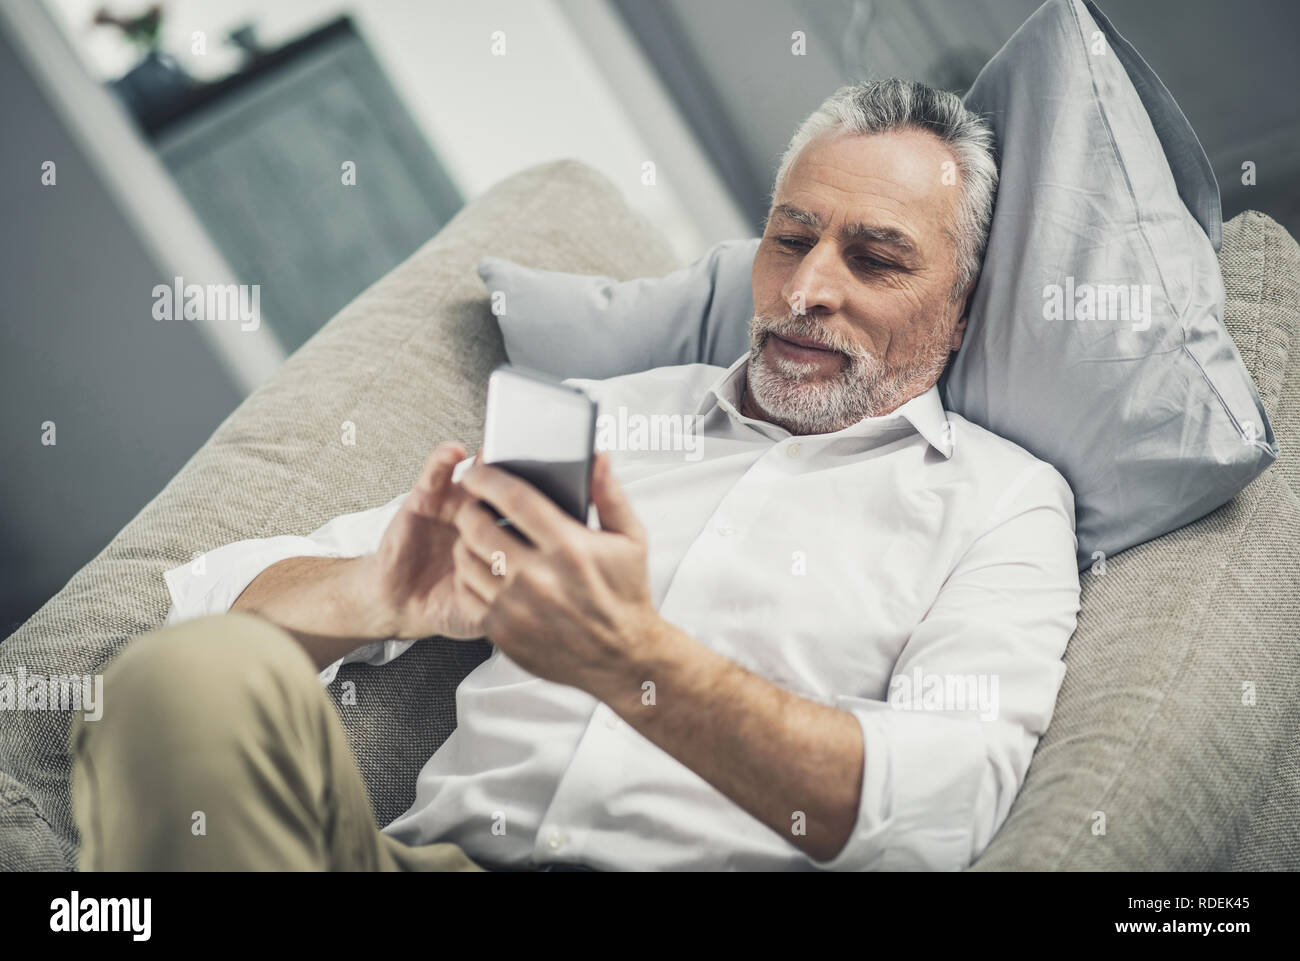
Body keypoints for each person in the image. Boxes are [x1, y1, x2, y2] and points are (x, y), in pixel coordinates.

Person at [71, 78, 1080, 872]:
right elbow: (198, 614)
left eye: (876, 258)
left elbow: (943, 808)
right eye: (792, 238)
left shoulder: (1002, 502)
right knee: (179, 675)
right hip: (436, 859)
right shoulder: (615, 414)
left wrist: (633, 660)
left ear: (961, 306)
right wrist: (380, 588)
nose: (808, 289)